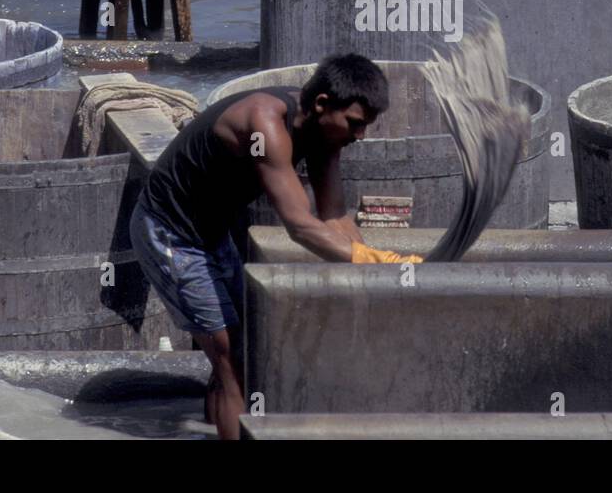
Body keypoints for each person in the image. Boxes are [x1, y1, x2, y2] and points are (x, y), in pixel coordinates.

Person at [128, 54, 421, 440]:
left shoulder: (324, 133)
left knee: (240, 350)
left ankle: (215, 430)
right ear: (322, 105)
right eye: (355, 124)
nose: (360, 136)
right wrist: (376, 261)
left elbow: (334, 218)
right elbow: (300, 226)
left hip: (213, 233)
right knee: (231, 359)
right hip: (170, 233)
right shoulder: (264, 125)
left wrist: (371, 277)